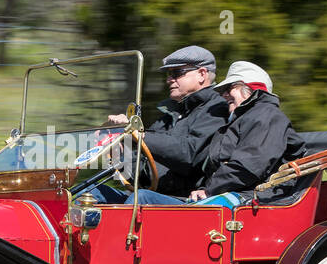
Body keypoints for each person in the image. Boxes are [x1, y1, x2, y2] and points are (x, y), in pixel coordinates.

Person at [88, 45, 230, 201]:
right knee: (91, 192)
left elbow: (189, 154)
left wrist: (137, 133)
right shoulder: (171, 113)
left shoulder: (216, 109)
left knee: (140, 198)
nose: (169, 80)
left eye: (177, 73)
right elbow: (138, 173)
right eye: (169, 74)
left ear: (202, 74)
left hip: (186, 200)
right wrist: (118, 145)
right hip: (152, 194)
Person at [189, 61, 297, 205]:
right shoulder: (242, 120)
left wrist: (209, 191)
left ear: (250, 89)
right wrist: (205, 189)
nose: (224, 95)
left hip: (255, 198)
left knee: (181, 219)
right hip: (229, 192)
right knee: (148, 199)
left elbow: (249, 166)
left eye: (229, 88)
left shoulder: (266, 115)